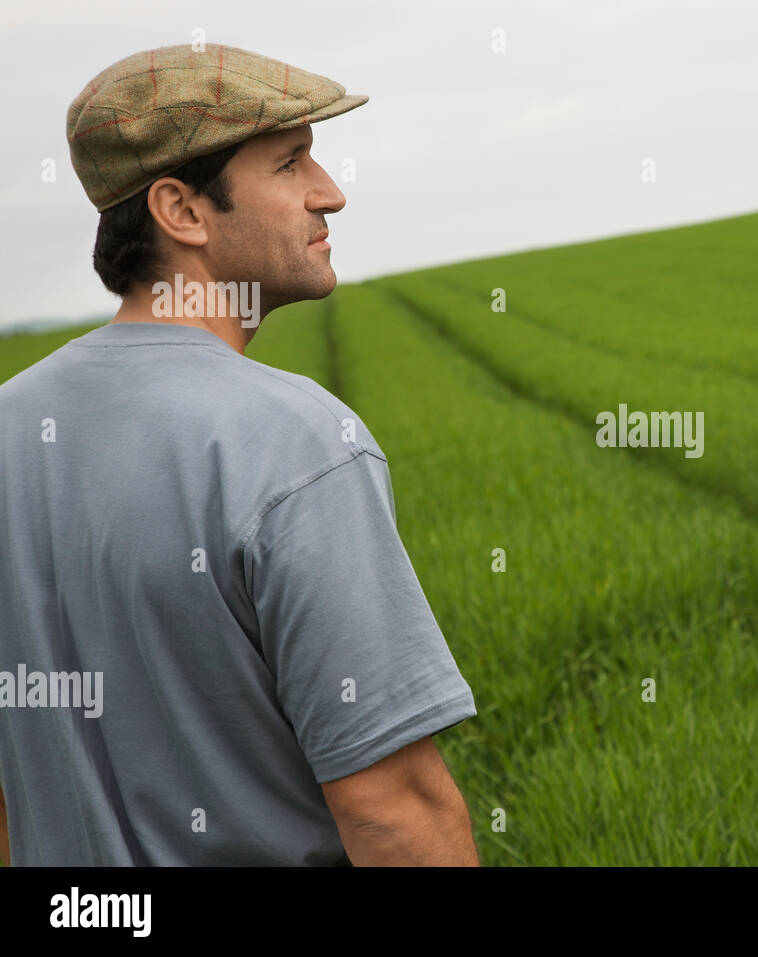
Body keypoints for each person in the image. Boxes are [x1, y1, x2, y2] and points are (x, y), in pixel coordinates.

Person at [0, 44, 478, 866]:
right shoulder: (294, 444)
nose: (330, 193)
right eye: (291, 164)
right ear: (181, 210)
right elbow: (394, 812)